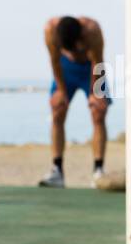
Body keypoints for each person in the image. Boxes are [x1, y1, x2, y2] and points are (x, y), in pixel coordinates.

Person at [39, 16, 110, 188]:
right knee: (57, 110)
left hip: (91, 69)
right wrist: (61, 92)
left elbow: (97, 62)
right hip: (65, 68)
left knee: (98, 113)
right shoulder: (50, 30)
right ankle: (57, 170)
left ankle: (98, 171)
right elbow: (54, 61)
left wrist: (95, 93)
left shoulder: (92, 29)